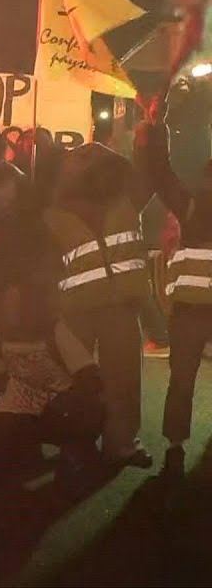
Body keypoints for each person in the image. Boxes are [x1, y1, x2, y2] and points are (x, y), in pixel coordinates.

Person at [44, 135, 154, 469]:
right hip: (73, 310)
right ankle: (75, 444)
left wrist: (153, 126)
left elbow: (151, 169)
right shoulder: (49, 212)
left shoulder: (127, 199)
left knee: (123, 378)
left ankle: (120, 443)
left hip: (120, 307)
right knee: (75, 381)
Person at [136, 95, 212, 475]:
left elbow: (160, 172)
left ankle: (176, 446)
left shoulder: (192, 205)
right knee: (181, 379)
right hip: (192, 310)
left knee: (181, 379)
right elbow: (162, 173)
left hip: (187, 309)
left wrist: (156, 126)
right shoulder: (192, 204)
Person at [0, 278, 103, 488]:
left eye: (15, 303)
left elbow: (90, 377)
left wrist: (71, 408)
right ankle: (28, 449)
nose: (10, 309)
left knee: (71, 481)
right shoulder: (1, 333)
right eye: (7, 303)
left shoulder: (54, 329)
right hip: (22, 407)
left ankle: (80, 448)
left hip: (62, 409)